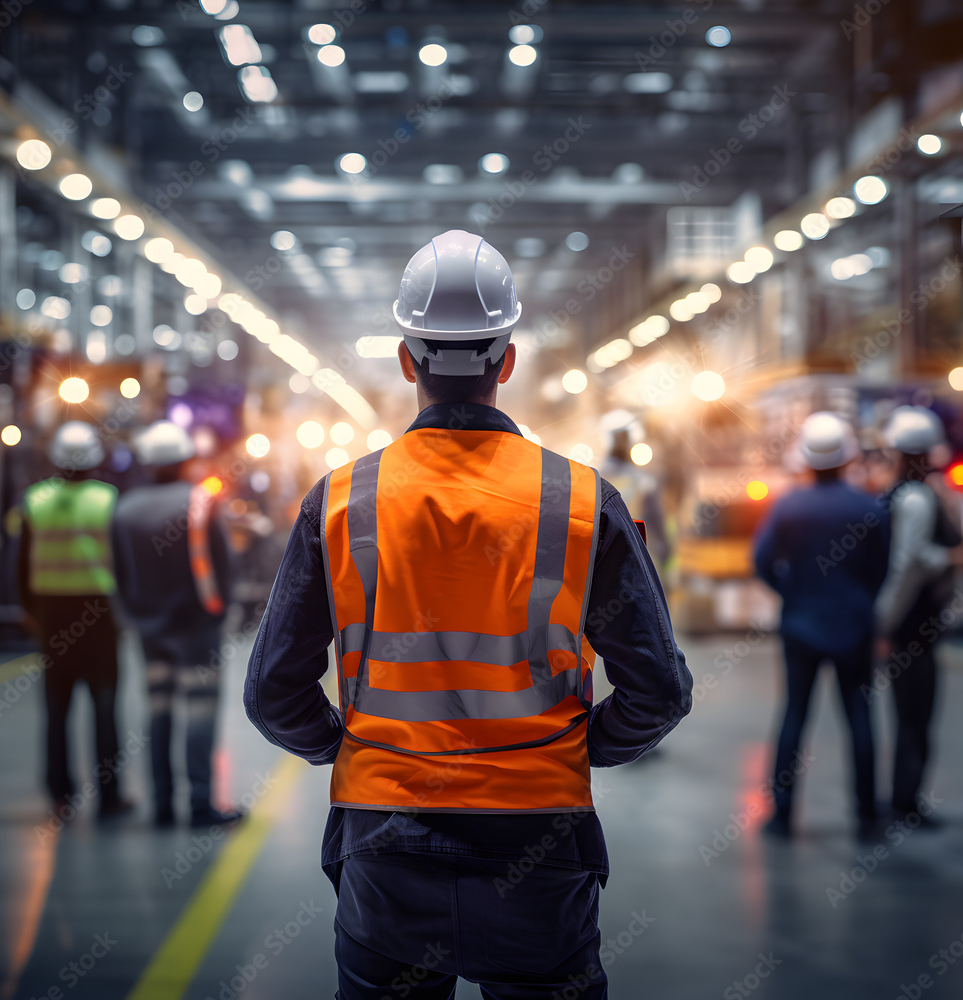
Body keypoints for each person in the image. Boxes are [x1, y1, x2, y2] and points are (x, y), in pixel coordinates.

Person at [244, 230, 692, 999]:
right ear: (506, 360)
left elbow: (270, 690)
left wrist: (353, 749)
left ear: (406, 357)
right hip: (538, 835)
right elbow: (662, 689)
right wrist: (578, 750)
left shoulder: (342, 500)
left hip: (383, 832)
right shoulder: (583, 501)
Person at [753, 412, 889, 840]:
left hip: (800, 625)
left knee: (794, 714)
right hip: (853, 625)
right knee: (860, 716)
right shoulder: (868, 506)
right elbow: (881, 568)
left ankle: (782, 816)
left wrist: (792, 594)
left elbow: (761, 561)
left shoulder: (789, 506)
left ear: (806, 459)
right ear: (847, 458)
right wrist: (859, 601)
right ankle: (867, 817)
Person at [110, 420, 242, 829]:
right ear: (186, 459)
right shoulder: (202, 502)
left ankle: (162, 805)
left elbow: (117, 574)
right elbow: (224, 565)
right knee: (200, 712)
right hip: (197, 629)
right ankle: (201, 804)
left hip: (149, 631)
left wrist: (134, 619)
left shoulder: (124, 510)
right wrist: (222, 612)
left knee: (159, 711)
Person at [18, 421, 133, 822]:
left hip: (51, 614)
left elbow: (21, 562)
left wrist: (29, 610)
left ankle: (59, 794)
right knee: (104, 705)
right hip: (97, 614)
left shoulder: (35, 499)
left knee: (56, 707)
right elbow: (123, 560)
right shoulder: (108, 499)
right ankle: (109, 796)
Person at [874, 405, 962, 825]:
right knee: (915, 716)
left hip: (912, 624)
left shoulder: (908, 494)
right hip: (912, 627)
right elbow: (908, 565)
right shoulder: (915, 498)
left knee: (912, 715)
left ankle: (903, 798)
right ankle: (905, 803)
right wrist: (885, 623)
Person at [600, 426, 669, 573]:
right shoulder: (643, 480)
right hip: (637, 554)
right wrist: (664, 551)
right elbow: (655, 519)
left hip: (603, 558)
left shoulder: (596, 480)